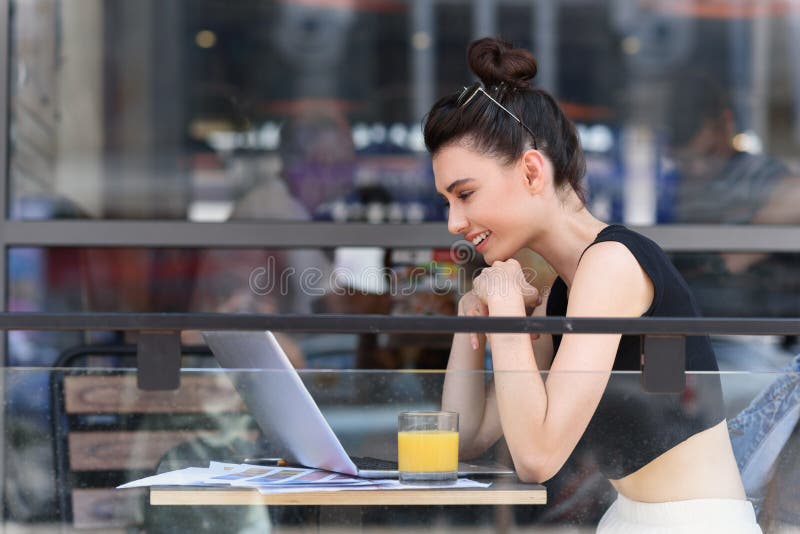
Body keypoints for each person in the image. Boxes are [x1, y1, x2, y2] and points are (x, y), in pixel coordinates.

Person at [426, 37, 759, 532]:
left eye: (466, 194)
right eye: (447, 202)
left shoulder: (612, 264)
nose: (454, 222)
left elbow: (537, 458)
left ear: (532, 171)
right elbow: (465, 438)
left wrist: (507, 313)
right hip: (631, 519)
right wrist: (471, 315)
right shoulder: (564, 289)